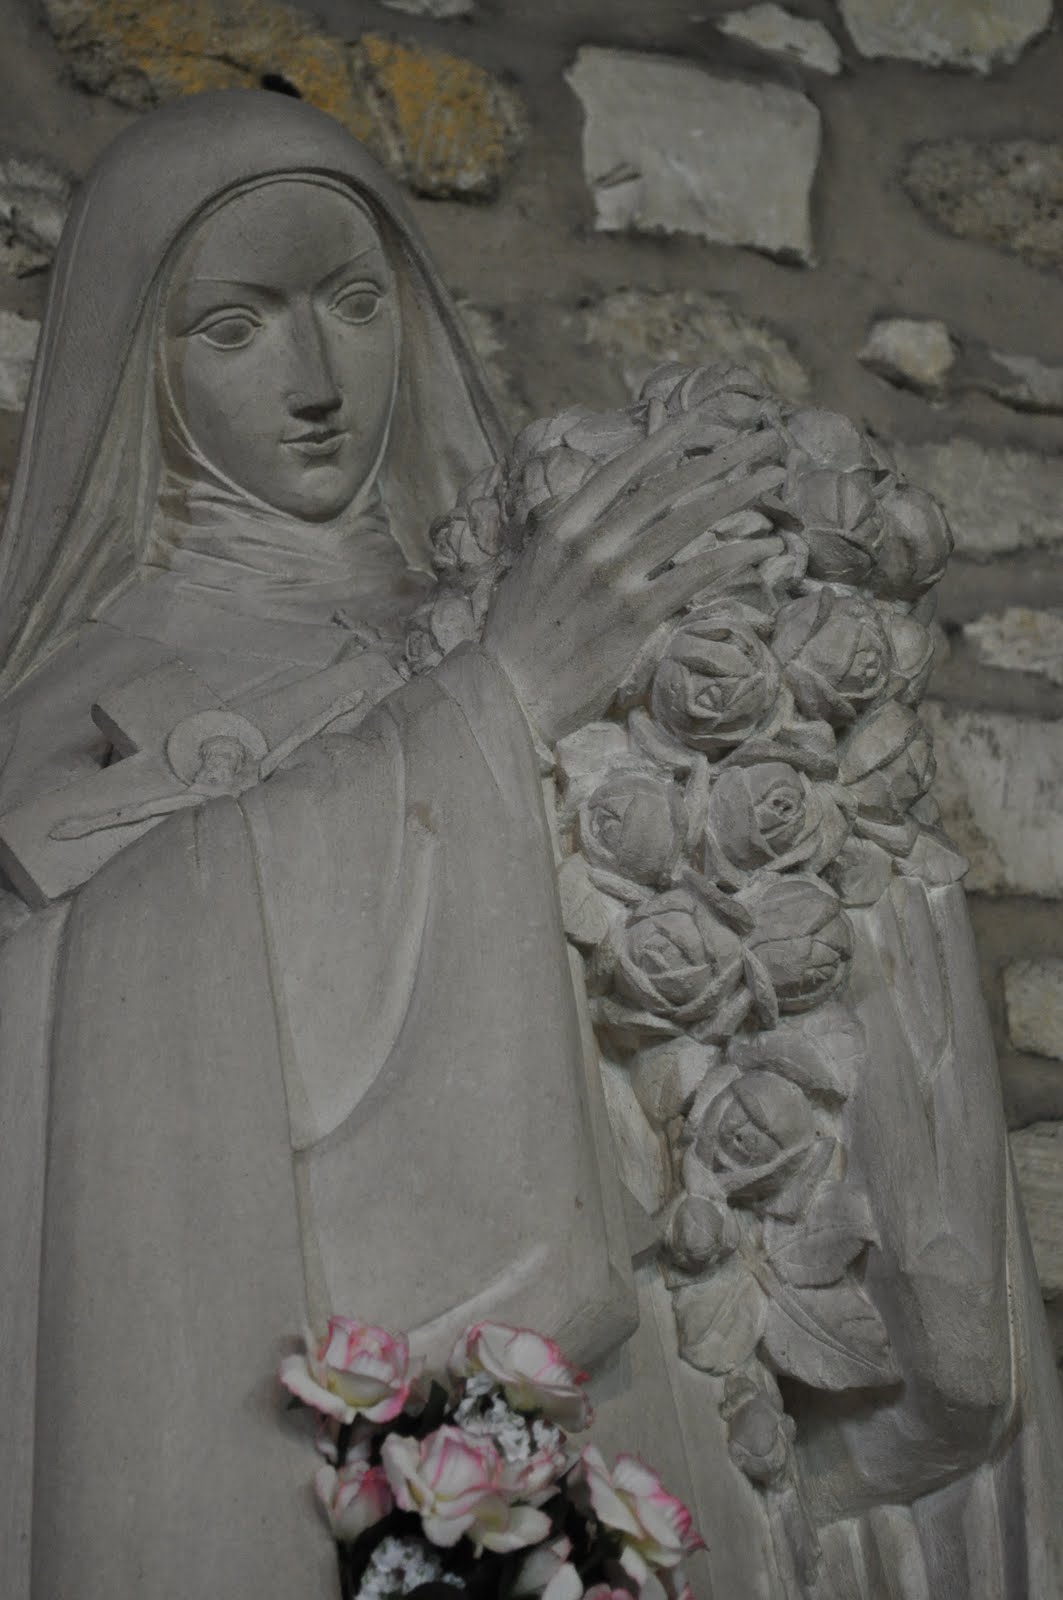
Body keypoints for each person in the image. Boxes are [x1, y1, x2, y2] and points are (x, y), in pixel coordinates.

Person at [0, 91, 740, 1599]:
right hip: (307, 1451)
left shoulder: (525, 599)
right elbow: (51, 1039)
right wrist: (502, 702)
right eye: (236, 328)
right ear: (140, 363)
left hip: (630, 1419)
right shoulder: (79, 699)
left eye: (351, 302)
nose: (321, 378)